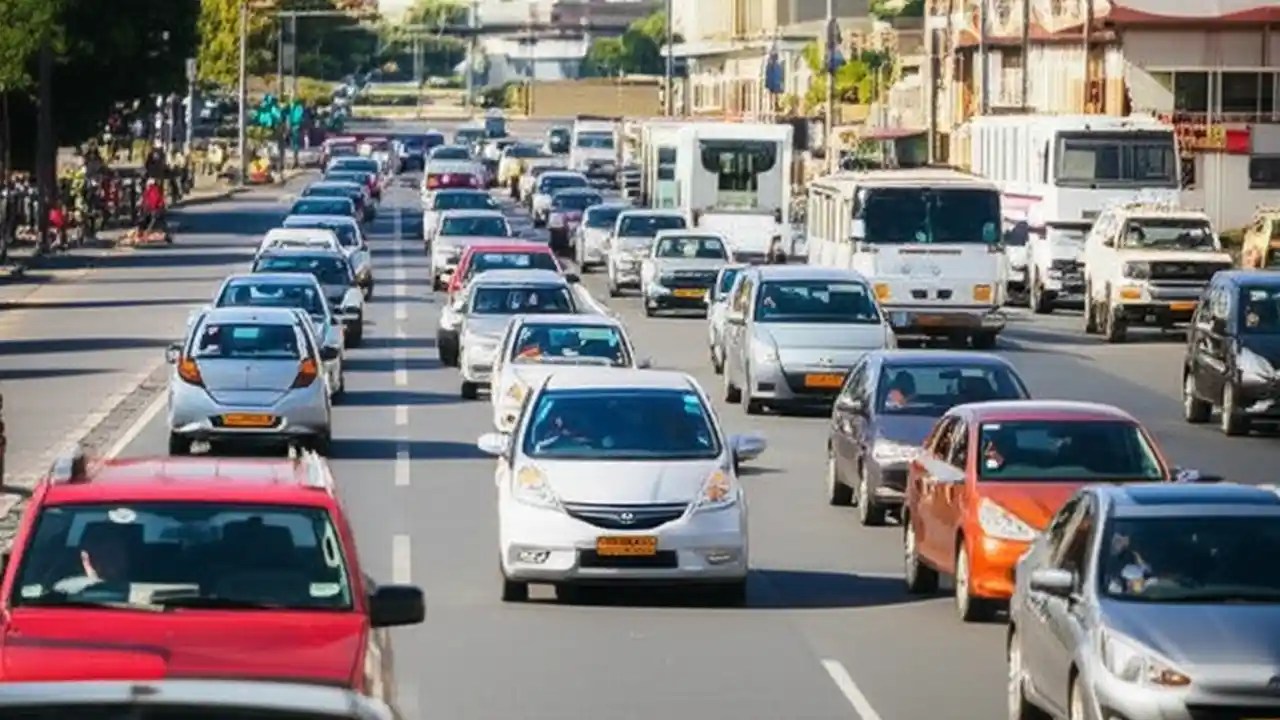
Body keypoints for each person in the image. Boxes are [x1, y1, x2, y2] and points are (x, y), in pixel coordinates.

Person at [53, 523, 133, 600]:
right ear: (85, 558)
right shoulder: (66, 591)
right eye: (107, 553)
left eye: (116, 553)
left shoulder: (140, 595)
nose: (112, 560)